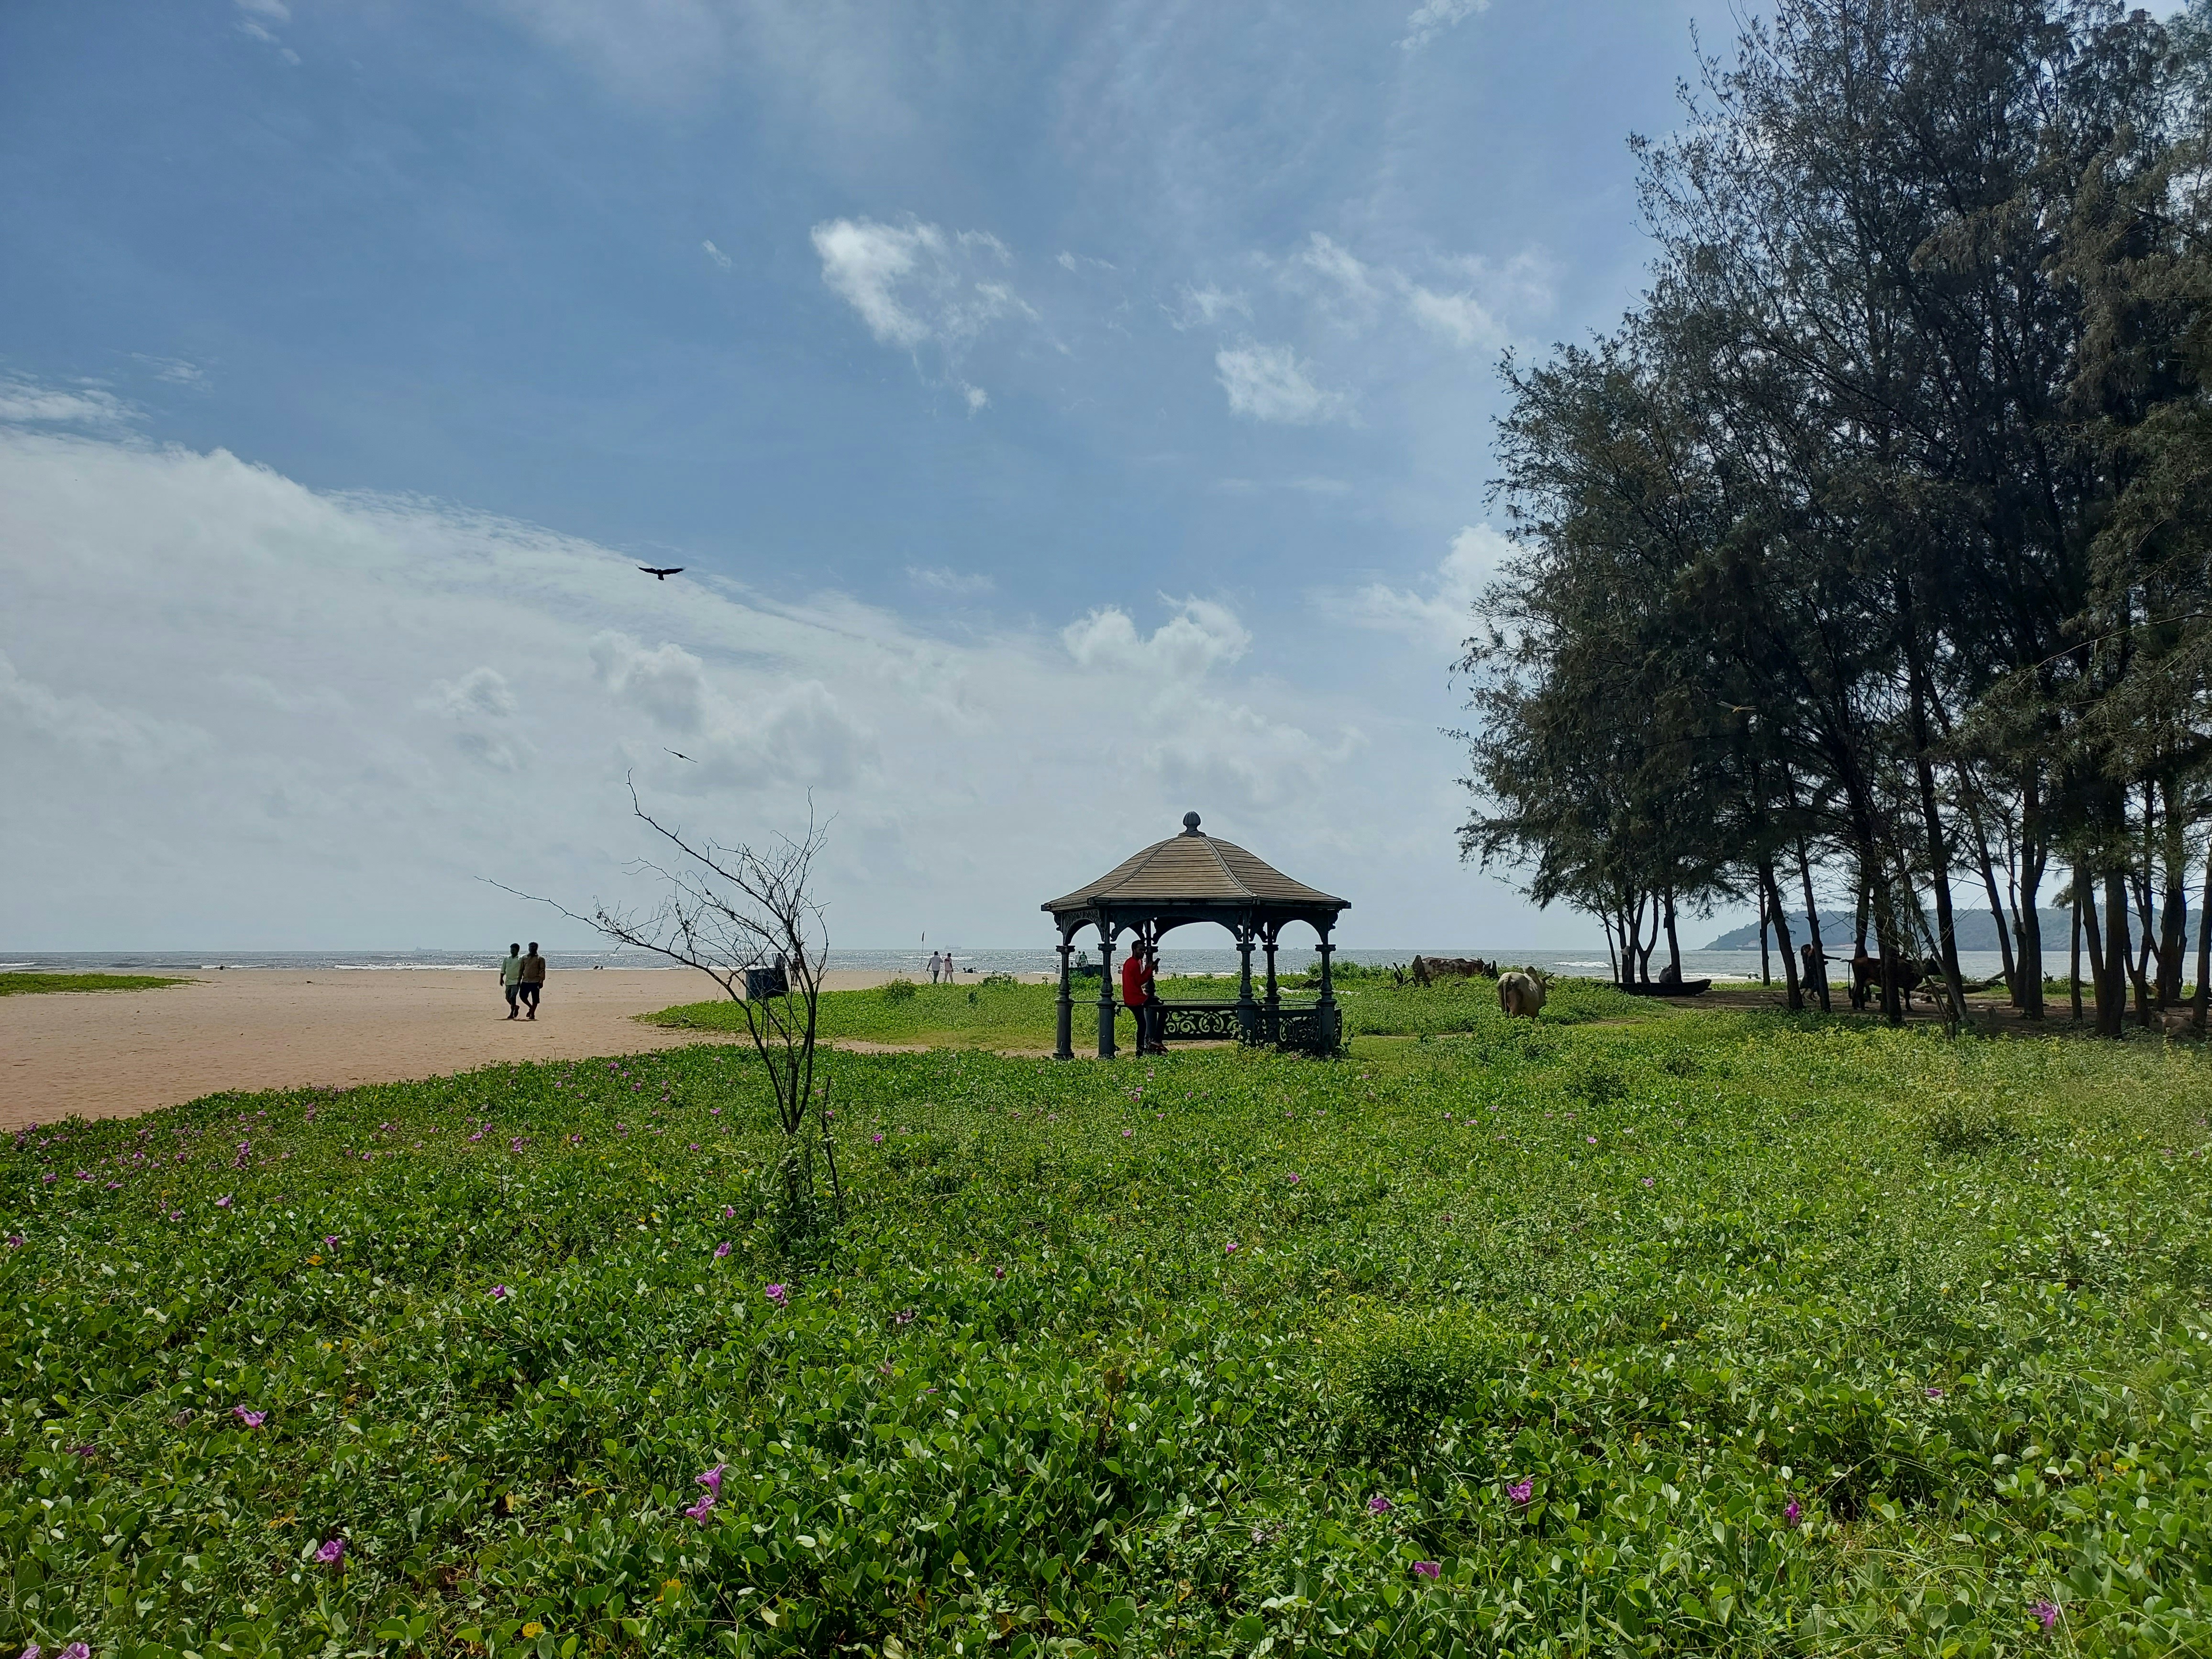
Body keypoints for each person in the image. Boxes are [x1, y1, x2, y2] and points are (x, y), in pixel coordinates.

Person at [518, 941, 546, 1019]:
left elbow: (542, 970)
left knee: (535, 999)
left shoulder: (540, 959)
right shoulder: (524, 958)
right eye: (530, 947)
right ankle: (531, 1007)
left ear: (537, 948)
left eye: (534, 947)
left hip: (535, 981)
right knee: (522, 996)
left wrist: (541, 981)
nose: (532, 949)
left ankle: (532, 1014)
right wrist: (519, 980)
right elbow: (521, 970)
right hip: (526, 981)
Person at [499, 942, 523, 1019]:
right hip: (508, 981)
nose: (512, 951)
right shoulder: (507, 959)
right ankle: (515, 1007)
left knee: (513, 997)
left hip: (516, 981)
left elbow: (524, 968)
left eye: (514, 950)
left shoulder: (520, 959)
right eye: (511, 950)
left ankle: (512, 1013)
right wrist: (501, 979)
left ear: (518, 950)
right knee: (507, 997)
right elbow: (503, 970)